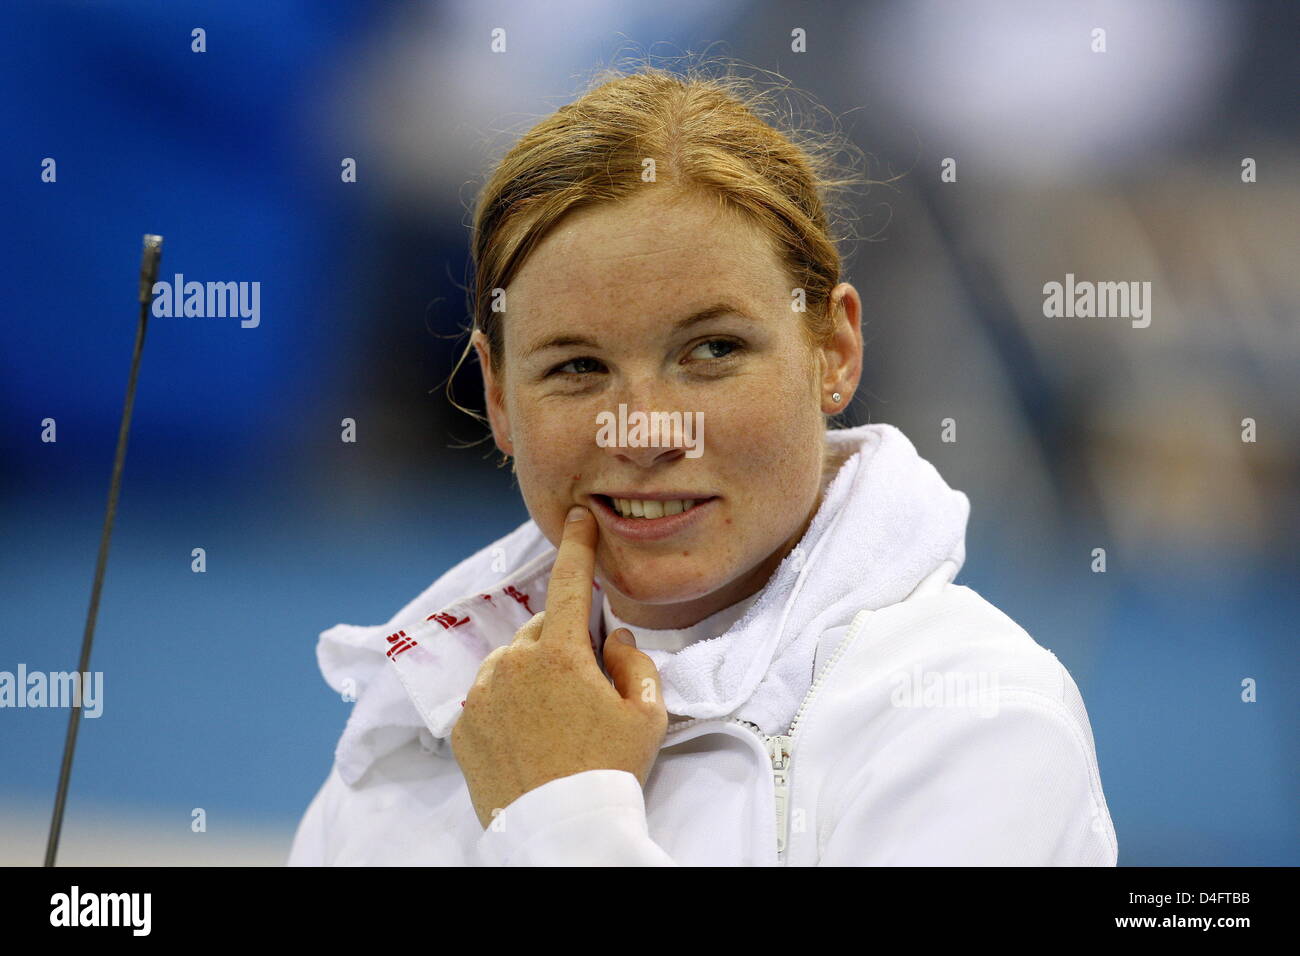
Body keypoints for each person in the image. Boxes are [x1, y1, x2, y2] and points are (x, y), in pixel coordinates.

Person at [287, 64, 1118, 866]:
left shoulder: (975, 717)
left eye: (712, 350)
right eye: (577, 367)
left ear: (834, 349)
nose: (647, 430)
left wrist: (561, 817)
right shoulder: (429, 707)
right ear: (500, 398)